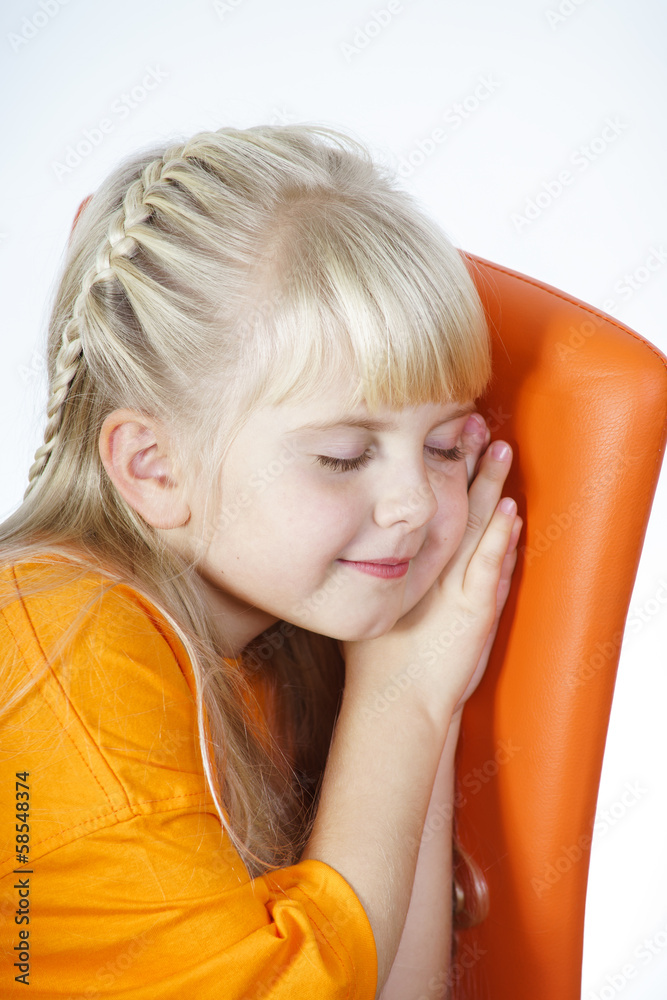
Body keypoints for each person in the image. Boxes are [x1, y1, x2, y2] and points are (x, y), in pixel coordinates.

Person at [0, 123, 521, 1000]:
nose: (415, 503)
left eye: (441, 445)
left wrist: (414, 692)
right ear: (154, 468)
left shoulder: (280, 635)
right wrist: (400, 705)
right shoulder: (53, 649)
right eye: (344, 456)